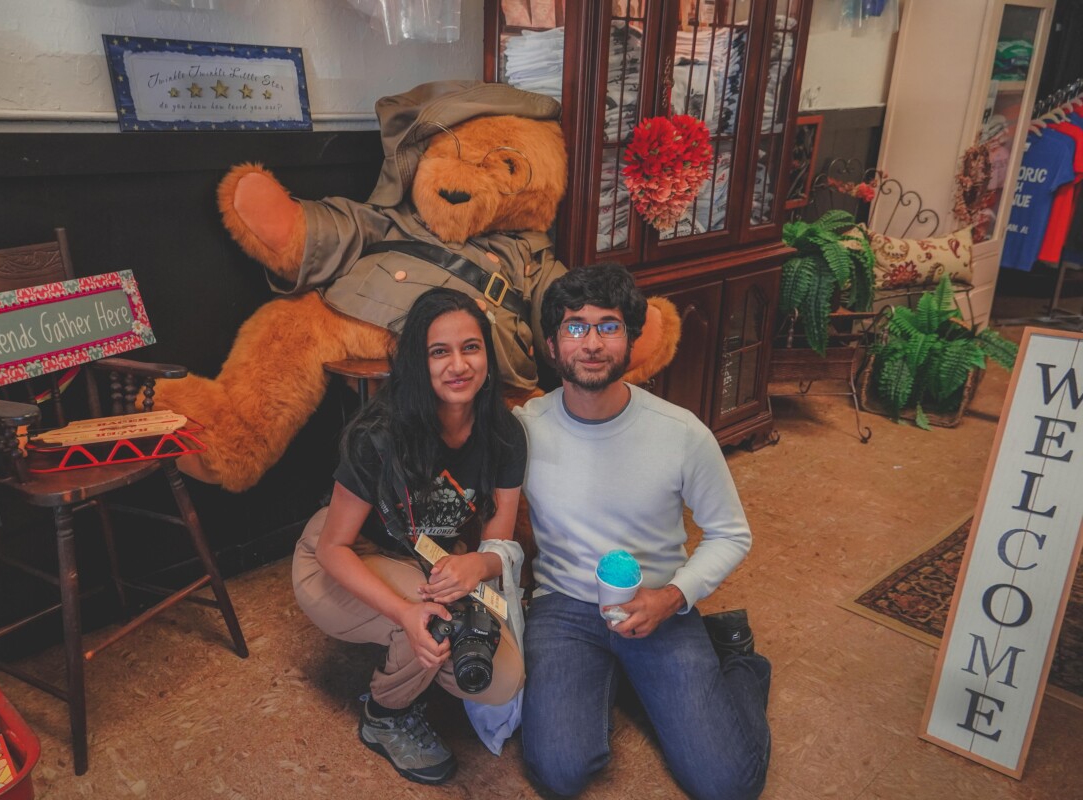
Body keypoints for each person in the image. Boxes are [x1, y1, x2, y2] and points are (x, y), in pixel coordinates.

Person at [514, 264, 772, 800]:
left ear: (631, 340)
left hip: (656, 601)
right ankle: (622, 680)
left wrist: (672, 596)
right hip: (563, 605)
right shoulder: (527, 427)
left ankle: (741, 663)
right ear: (551, 343)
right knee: (558, 774)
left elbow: (731, 533)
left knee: (728, 786)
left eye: (608, 326)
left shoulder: (680, 433)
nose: (591, 343)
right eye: (575, 326)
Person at [292, 287, 527, 786]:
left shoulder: (505, 432)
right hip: (337, 557)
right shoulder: (378, 433)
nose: (458, 365)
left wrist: (478, 566)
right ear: (418, 364)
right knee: (427, 621)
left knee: (502, 679)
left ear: (488, 352)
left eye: (470, 347)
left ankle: (420, 655)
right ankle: (386, 714)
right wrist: (402, 613)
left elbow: (498, 539)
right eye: (438, 352)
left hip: (431, 561)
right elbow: (334, 546)